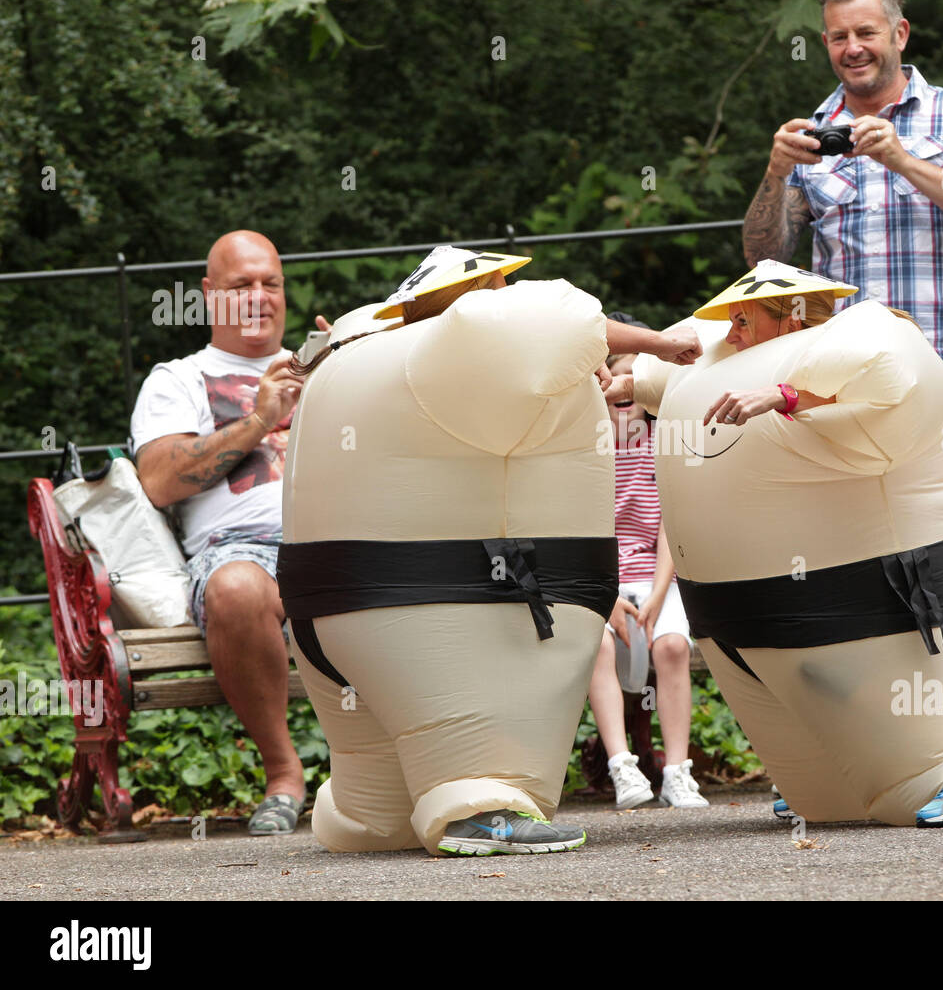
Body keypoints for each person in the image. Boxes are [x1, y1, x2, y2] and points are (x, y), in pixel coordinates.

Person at [277, 246, 702, 857]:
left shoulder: (355, 353)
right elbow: (559, 321)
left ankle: (371, 814)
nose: (506, 294)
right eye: (499, 284)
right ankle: (480, 802)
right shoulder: (460, 344)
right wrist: (660, 343)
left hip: (328, 613)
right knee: (470, 754)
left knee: (378, 785)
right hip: (435, 621)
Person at [620, 260, 943, 828]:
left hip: (900, 586)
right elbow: (679, 365)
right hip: (754, 610)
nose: (732, 335)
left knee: (904, 690)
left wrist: (784, 394)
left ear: (792, 322)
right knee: (815, 771)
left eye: (743, 321)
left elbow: (883, 372)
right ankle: (830, 783)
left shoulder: (860, 338)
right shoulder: (732, 363)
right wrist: (628, 382)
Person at [741, 0, 943, 443]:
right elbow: (762, 259)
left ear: (900, 33)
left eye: (866, 33)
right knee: (853, 518)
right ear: (825, 43)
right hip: (841, 383)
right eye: (839, 37)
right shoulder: (814, 131)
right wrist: (775, 172)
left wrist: (903, 160)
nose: (853, 48)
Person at [131, 230, 326, 835]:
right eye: (243, 285)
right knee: (236, 590)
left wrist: (354, 366)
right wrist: (260, 420)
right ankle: (284, 774)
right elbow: (161, 481)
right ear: (211, 295)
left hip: (336, 541)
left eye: (272, 283)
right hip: (241, 552)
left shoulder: (325, 369)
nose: (261, 295)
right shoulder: (180, 379)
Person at [588, 343, 709, 811]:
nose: (625, 387)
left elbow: (668, 528)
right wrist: (608, 596)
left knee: (673, 646)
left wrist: (659, 595)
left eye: (635, 381)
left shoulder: (664, 444)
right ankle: (623, 767)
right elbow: (583, 531)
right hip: (603, 585)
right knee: (595, 646)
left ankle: (677, 773)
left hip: (659, 578)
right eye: (617, 377)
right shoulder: (583, 450)